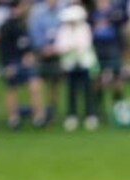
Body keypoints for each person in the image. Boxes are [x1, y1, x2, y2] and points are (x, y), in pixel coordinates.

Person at [0, 0, 45, 129]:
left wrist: (29, 55)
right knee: (11, 89)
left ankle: (38, 117)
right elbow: (3, 49)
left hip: (26, 63)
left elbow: (28, 44)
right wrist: (7, 65)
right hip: (12, 63)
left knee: (35, 85)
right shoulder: (6, 26)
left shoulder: (25, 24)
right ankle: (13, 118)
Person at [55, 3, 98, 131]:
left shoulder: (85, 28)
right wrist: (71, 48)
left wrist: (71, 47)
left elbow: (84, 44)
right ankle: (71, 116)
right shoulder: (63, 30)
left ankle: (90, 115)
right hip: (70, 65)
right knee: (71, 91)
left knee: (87, 90)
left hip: (85, 64)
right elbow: (61, 46)